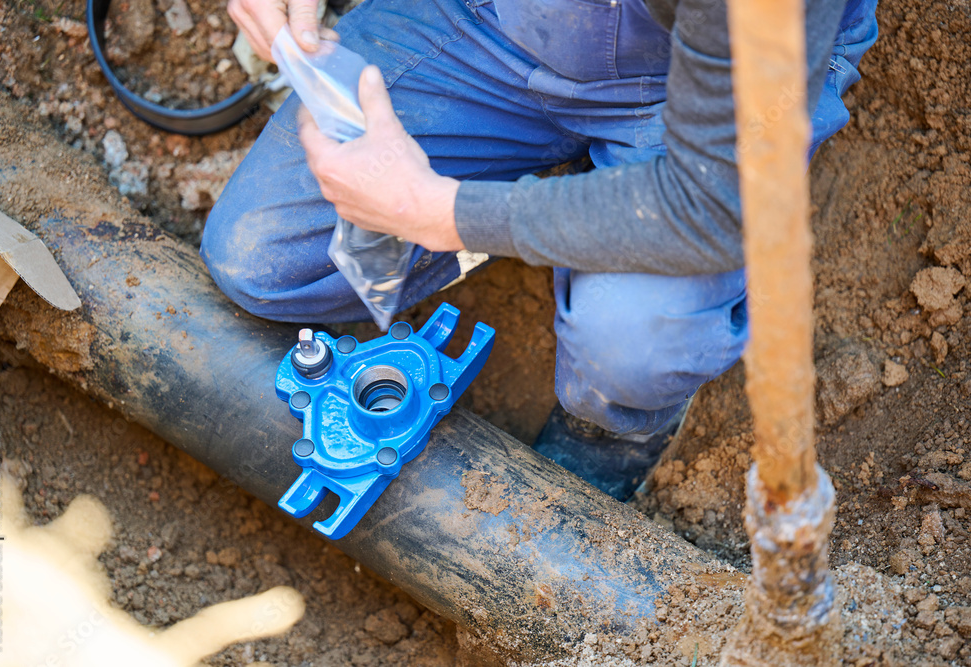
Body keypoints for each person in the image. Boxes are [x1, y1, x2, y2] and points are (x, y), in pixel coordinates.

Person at [201, 0, 878, 500]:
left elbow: (706, 205)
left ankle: (616, 425)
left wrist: (443, 211)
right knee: (263, 258)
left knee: (635, 343)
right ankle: (553, 193)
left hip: (712, 87)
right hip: (489, 24)